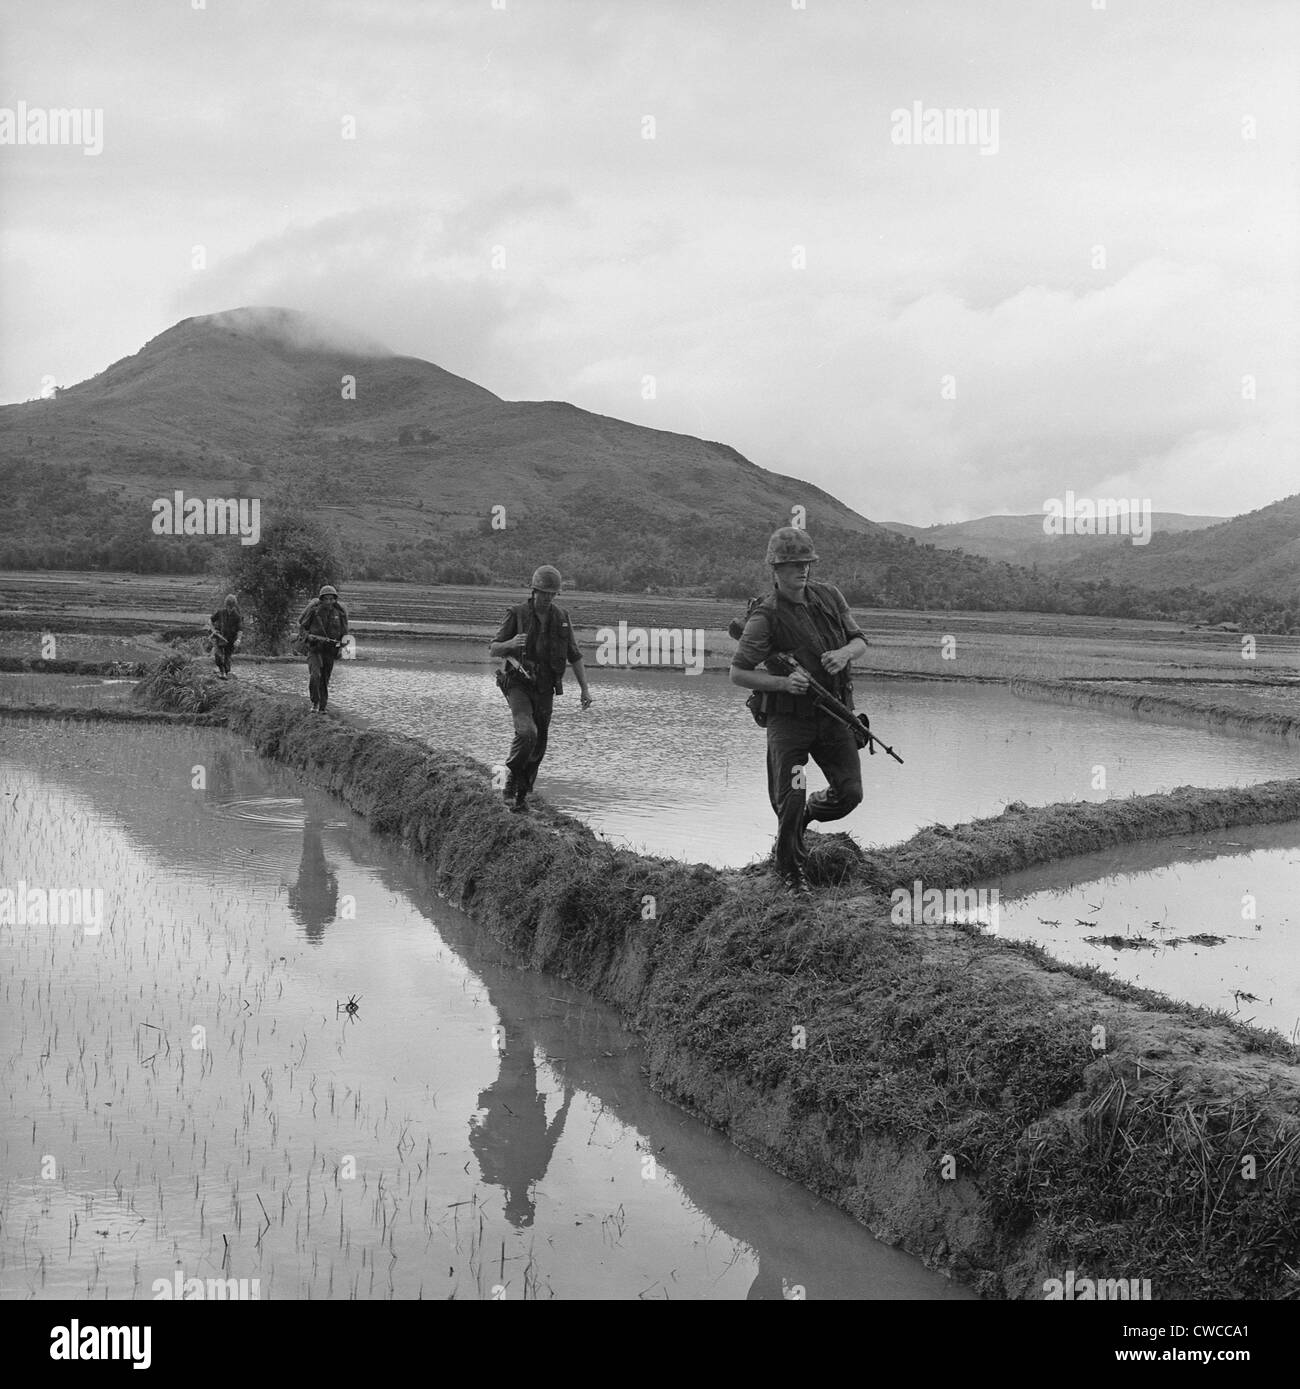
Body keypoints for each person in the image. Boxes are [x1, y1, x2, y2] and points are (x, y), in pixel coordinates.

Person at [729, 527, 868, 895]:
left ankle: (804, 819)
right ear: (776, 569)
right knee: (792, 792)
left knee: (849, 793)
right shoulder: (766, 616)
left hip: (833, 712)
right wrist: (783, 684)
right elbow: (738, 673)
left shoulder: (829, 597)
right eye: (792, 565)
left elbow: (860, 640)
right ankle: (790, 872)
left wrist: (843, 654)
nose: (801, 570)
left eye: (805, 563)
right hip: (789, 719)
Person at [488, 565, 592, 813]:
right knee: (527, 733)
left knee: (538, 746)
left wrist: (585, 690)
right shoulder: (517, 614)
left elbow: (574, 655)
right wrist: (511, 643)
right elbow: (493, 648)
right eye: (544, 593)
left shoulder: (562, 618)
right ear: (534, 591)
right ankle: (506, 781)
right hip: (518, 684)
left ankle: (521, 798)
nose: (548, 598)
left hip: (546, 688)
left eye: (552, 594)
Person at [297, 583, 349, 713]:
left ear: (335, 599)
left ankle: (322, 707)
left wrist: (342, 647)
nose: (329, 601)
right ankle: (315, 702)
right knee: (315, 676)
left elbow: (345, 634)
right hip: (315, 649)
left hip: (330, 651)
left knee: (325, 679)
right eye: (326, 598)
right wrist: (309, 637)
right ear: (321, 599)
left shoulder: (339, 614)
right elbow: (303, 628)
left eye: (332, 598)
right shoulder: (314, 611)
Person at [207, 593, 242, 679]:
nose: (229, 609)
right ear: (226, 605)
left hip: (231, 640)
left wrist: (238, 640)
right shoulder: (220, 612)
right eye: (228, 606)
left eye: (231, 607)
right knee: (218, 655)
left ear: (234, 606)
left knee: (227, 657)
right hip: (220, 637)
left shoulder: (237, 616)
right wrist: (213, 629)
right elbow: (210, 620)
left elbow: (240, 630)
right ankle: (222, 671)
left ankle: (225, 673)